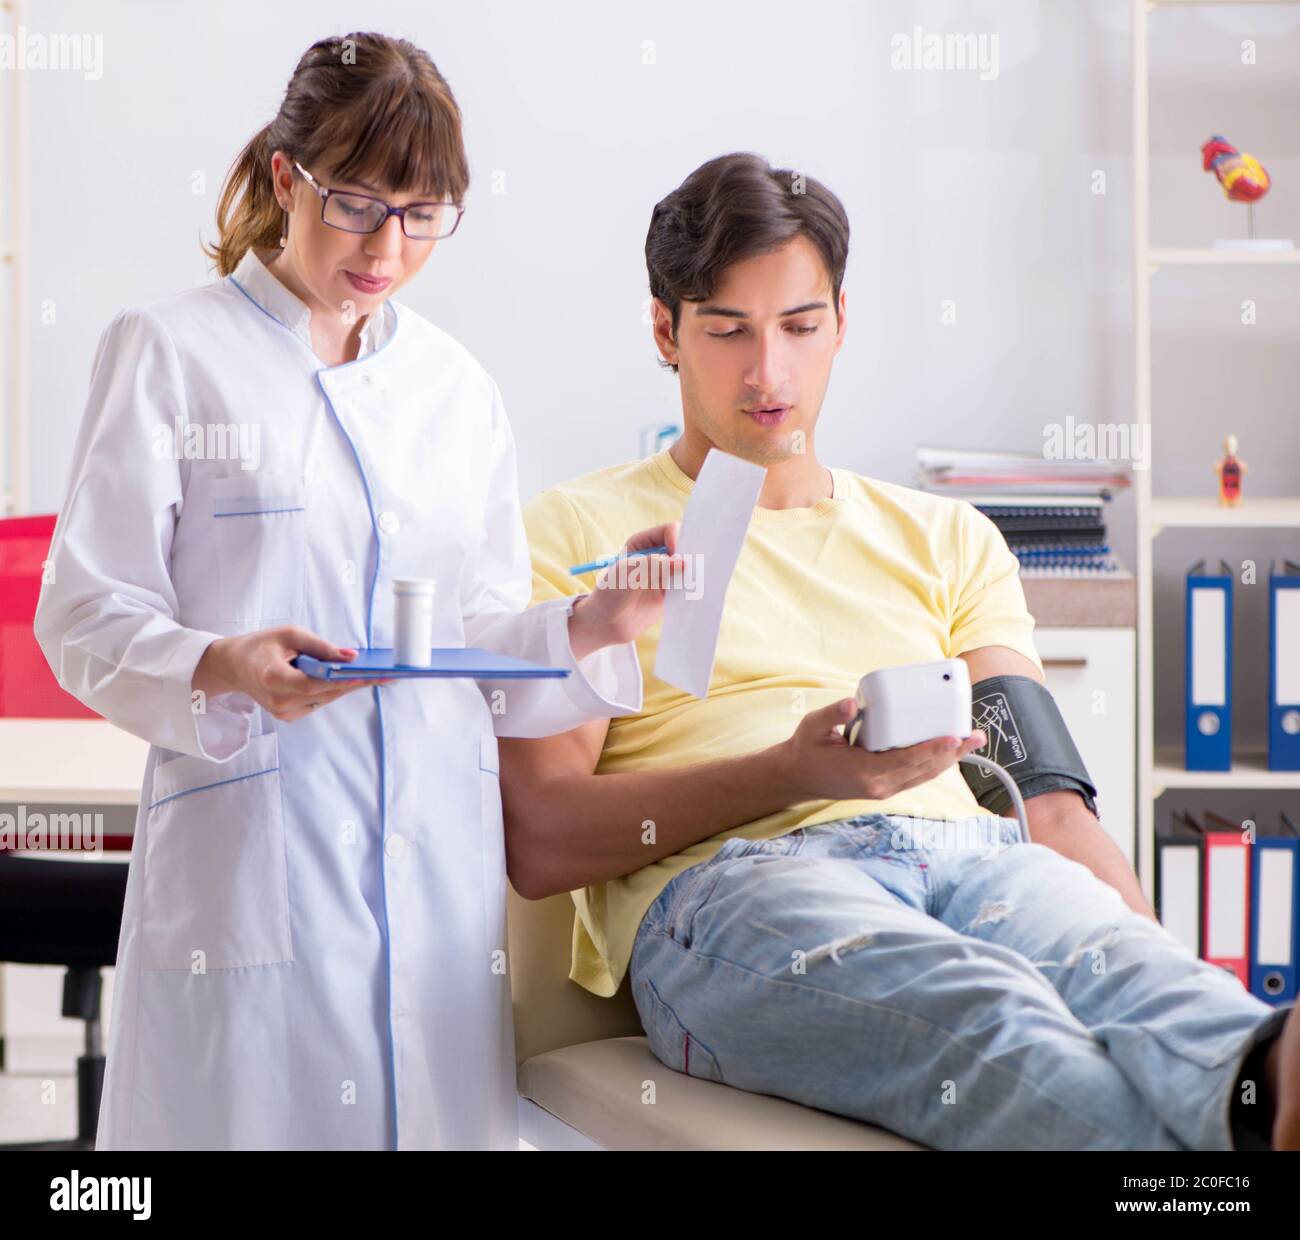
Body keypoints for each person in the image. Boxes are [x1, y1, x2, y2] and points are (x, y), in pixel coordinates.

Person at [500, 152, 1299, 1151]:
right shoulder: (570, 535)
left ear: (841, 320)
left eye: (798, 327)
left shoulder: (947, 538)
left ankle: (1261, 1084)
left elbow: (1047, 802)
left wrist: (1131, 944)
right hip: (739, 892)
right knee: (1000, 1022)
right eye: (725, 331)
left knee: (1157, 996)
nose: (768, 374)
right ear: (665, 329)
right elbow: (542, 839)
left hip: (978, 858)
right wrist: (788, 771)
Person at [33, 31, 679, 1151]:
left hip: (437, 874)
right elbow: (82, 613)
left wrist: (594, 622)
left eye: (422, 214)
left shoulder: (455, 390)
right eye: (358, 204)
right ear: (287, 178)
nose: (388, 246)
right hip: (252, 861)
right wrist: (218, 664)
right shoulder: (169, 351)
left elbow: (473, 641)